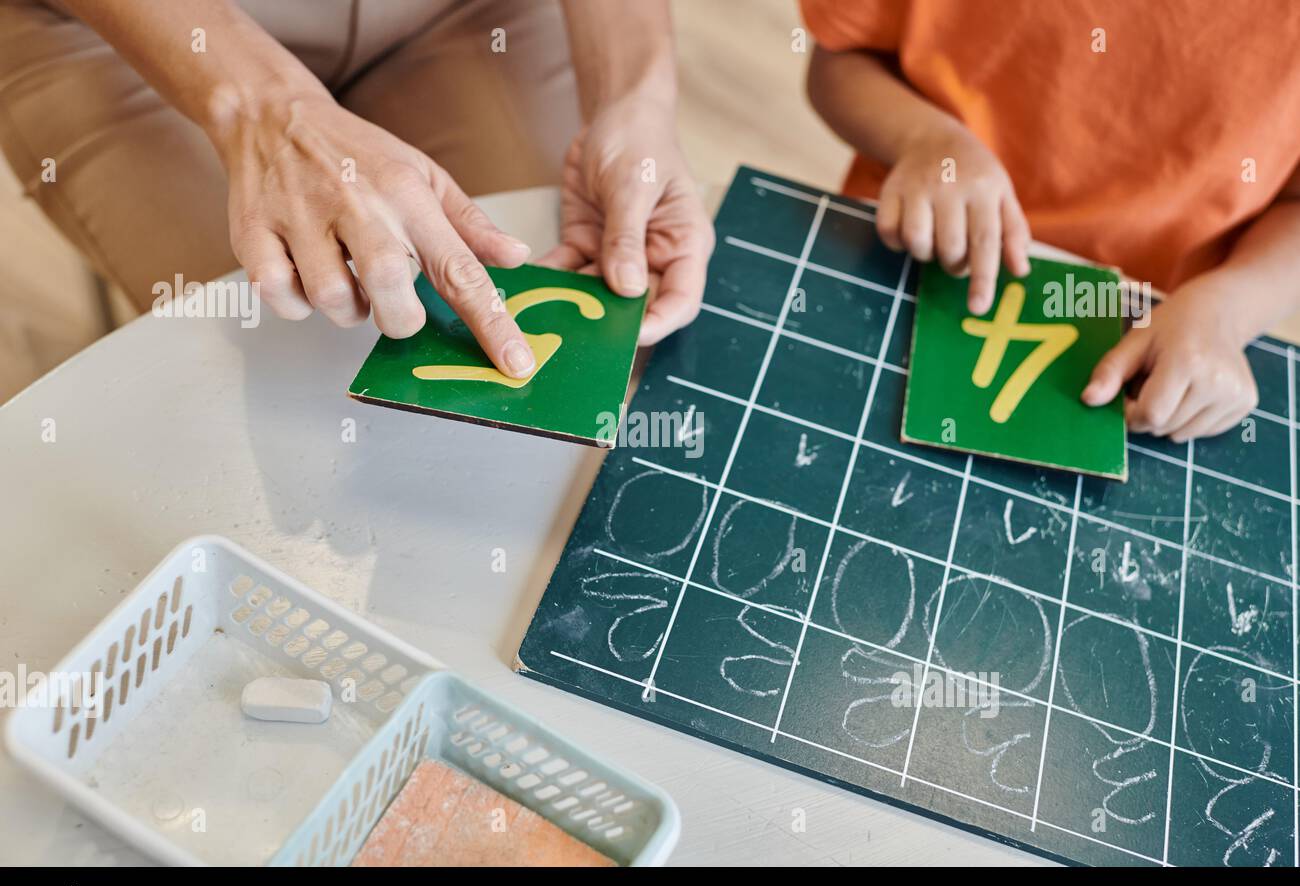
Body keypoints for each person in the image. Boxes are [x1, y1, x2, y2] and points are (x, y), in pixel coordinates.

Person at [0, 0, 713, 388]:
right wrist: (269, 113)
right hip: (124, 25)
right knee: (313, 391)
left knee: (586, 375)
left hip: (457, 14)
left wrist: (636, 96)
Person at [801, 0, 1300, 441]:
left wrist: (1229, 308)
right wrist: (926, 140)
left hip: (1159, 339)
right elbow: (837, 60)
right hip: (906, 257)